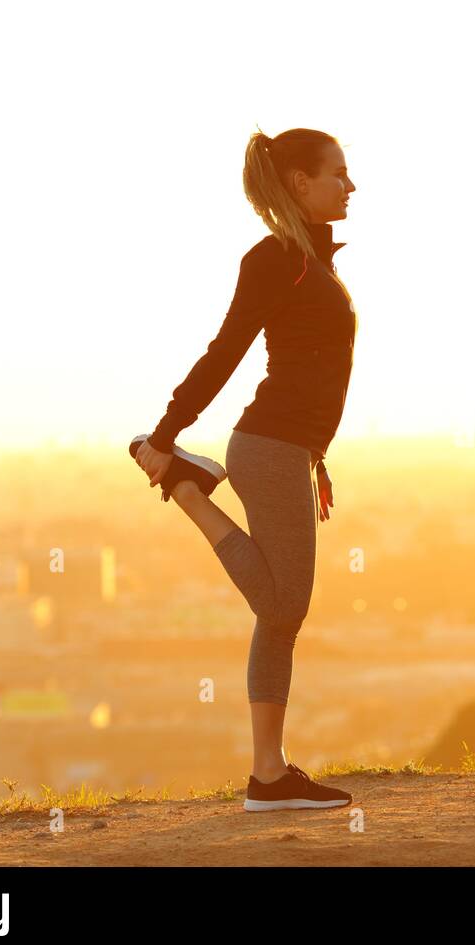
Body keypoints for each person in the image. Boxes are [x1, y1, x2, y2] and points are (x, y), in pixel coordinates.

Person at [129, 127, 357, 811]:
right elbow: (227, 349)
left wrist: (316, 457)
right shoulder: (276, 259)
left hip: (289, 451)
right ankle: (189, 489)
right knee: (285, 605)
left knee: (280, 617)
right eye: (339, 173)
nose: (351, 185)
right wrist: (167, 435)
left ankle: (267, 773)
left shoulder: (311, 262)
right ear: (300, 183)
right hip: (266, 447)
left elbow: (311, 368)